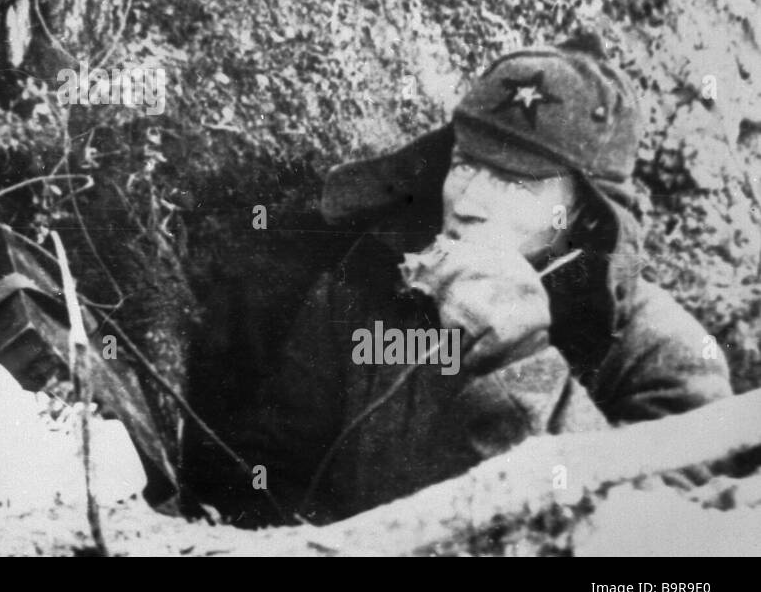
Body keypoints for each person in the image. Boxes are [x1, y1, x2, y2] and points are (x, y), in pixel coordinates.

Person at [207, 35, 732, 526]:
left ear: (586, 216)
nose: (470, 203)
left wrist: (522, 361)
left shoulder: (661, 355)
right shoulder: (366, 290)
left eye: (515, 183)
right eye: (464, 165)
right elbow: (266, 470)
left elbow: (653, 552)